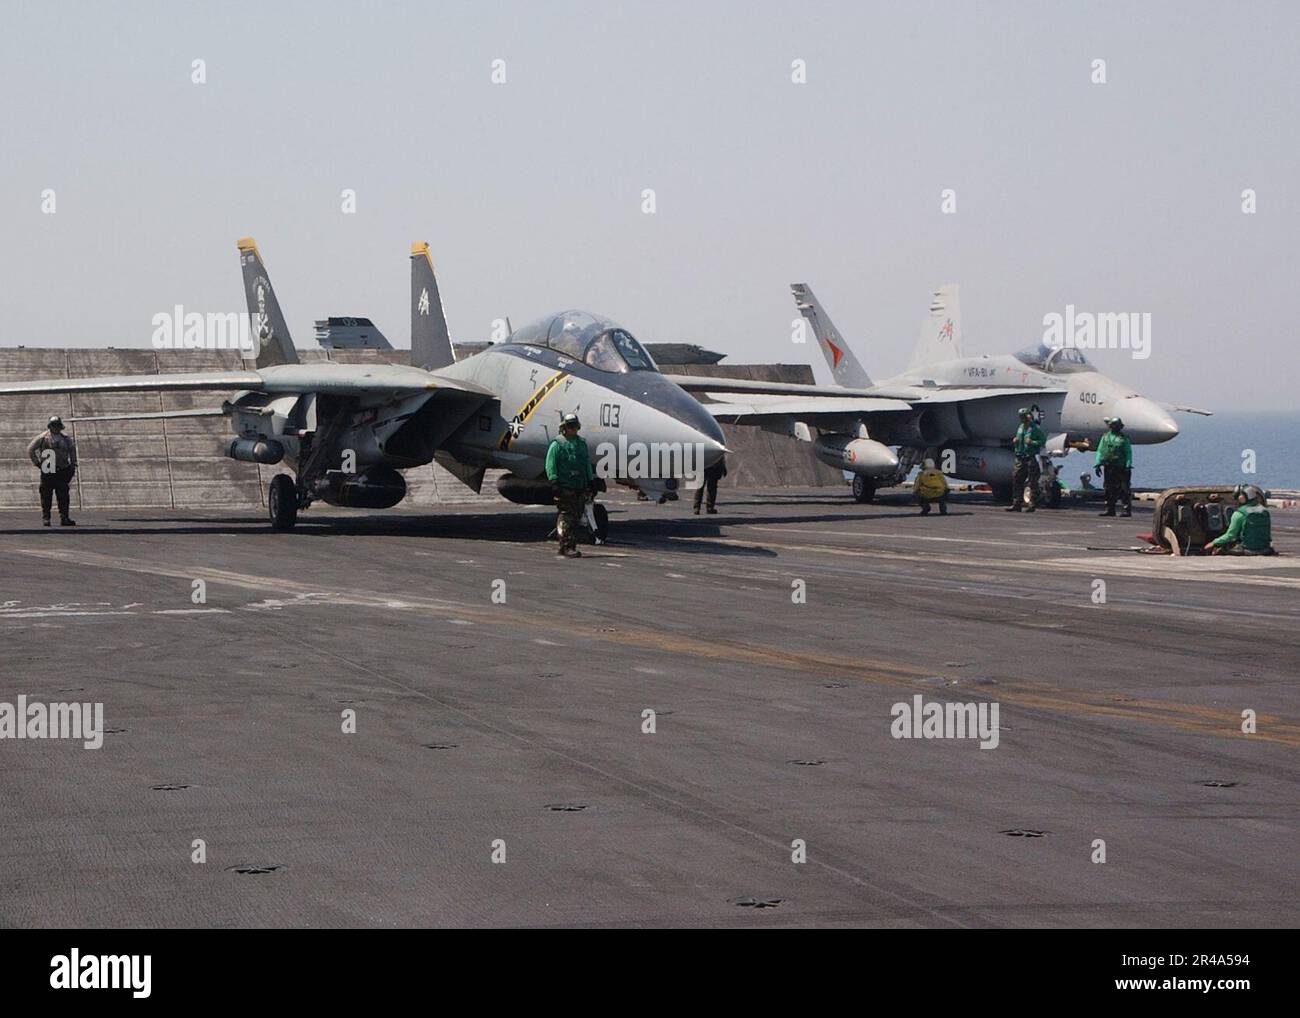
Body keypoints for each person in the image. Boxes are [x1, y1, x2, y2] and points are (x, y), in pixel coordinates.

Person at [545, 412, 594, 558]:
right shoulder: (557, 444)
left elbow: (586, 463)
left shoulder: (581, 443)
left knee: (577, 516)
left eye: (574, 426)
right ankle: (566, 546)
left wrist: (590, 480)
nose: (572, 429)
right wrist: (553, 481)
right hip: (565, 485)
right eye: (570, 426)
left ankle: (568, 545)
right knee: (566, 516)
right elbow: (550, 464)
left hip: (579, 485)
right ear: (564, 427)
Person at [27, 415, 77, 527]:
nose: (56, 428)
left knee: (63, 496)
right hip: (48, 470)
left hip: (62, 470)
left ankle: (64, 518)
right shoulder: (43, 438)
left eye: (58, 425)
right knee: (46, 496)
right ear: (50, 426)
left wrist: (72, 464)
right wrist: (38, 463)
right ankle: (46, 518)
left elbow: (72, 450)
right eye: (54, 425)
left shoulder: (65, 438)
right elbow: (30, 449)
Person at [1206, 485, 1275, 556]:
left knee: (1220, 549)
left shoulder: (1239, 513)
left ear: (1242, 497)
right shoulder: (1264, 511)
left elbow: (1230, 535)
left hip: (1247, 549)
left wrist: (1214, 542)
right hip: (1265, 549)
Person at [1005, 407, 1045, 512]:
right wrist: (1015, 440)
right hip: (1020, 457)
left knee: (1032, 482)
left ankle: (1031, 504)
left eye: (1024, 416)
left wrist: (1032, 442)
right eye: (1021, 417)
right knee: (1016, 479)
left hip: (1030, 457)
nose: (1022, 418)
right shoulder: (1021, 427)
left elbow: (1042, 440)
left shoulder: (1035, 428)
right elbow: (1019, 438)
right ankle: (1016, 503)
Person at [1094, 416, 1133, 517]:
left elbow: (1128, 452)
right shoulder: (1105, 437)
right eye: (1114, 425)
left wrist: (1128, 465)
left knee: (1124, 488)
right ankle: (1109, 509)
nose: (1115, 427)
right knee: (1108, 488)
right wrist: (1097, 463)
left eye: (1117, 425)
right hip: (1108, 466)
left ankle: (1126, 509)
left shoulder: (1123, 439)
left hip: (1122, 467)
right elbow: (1100, 450)